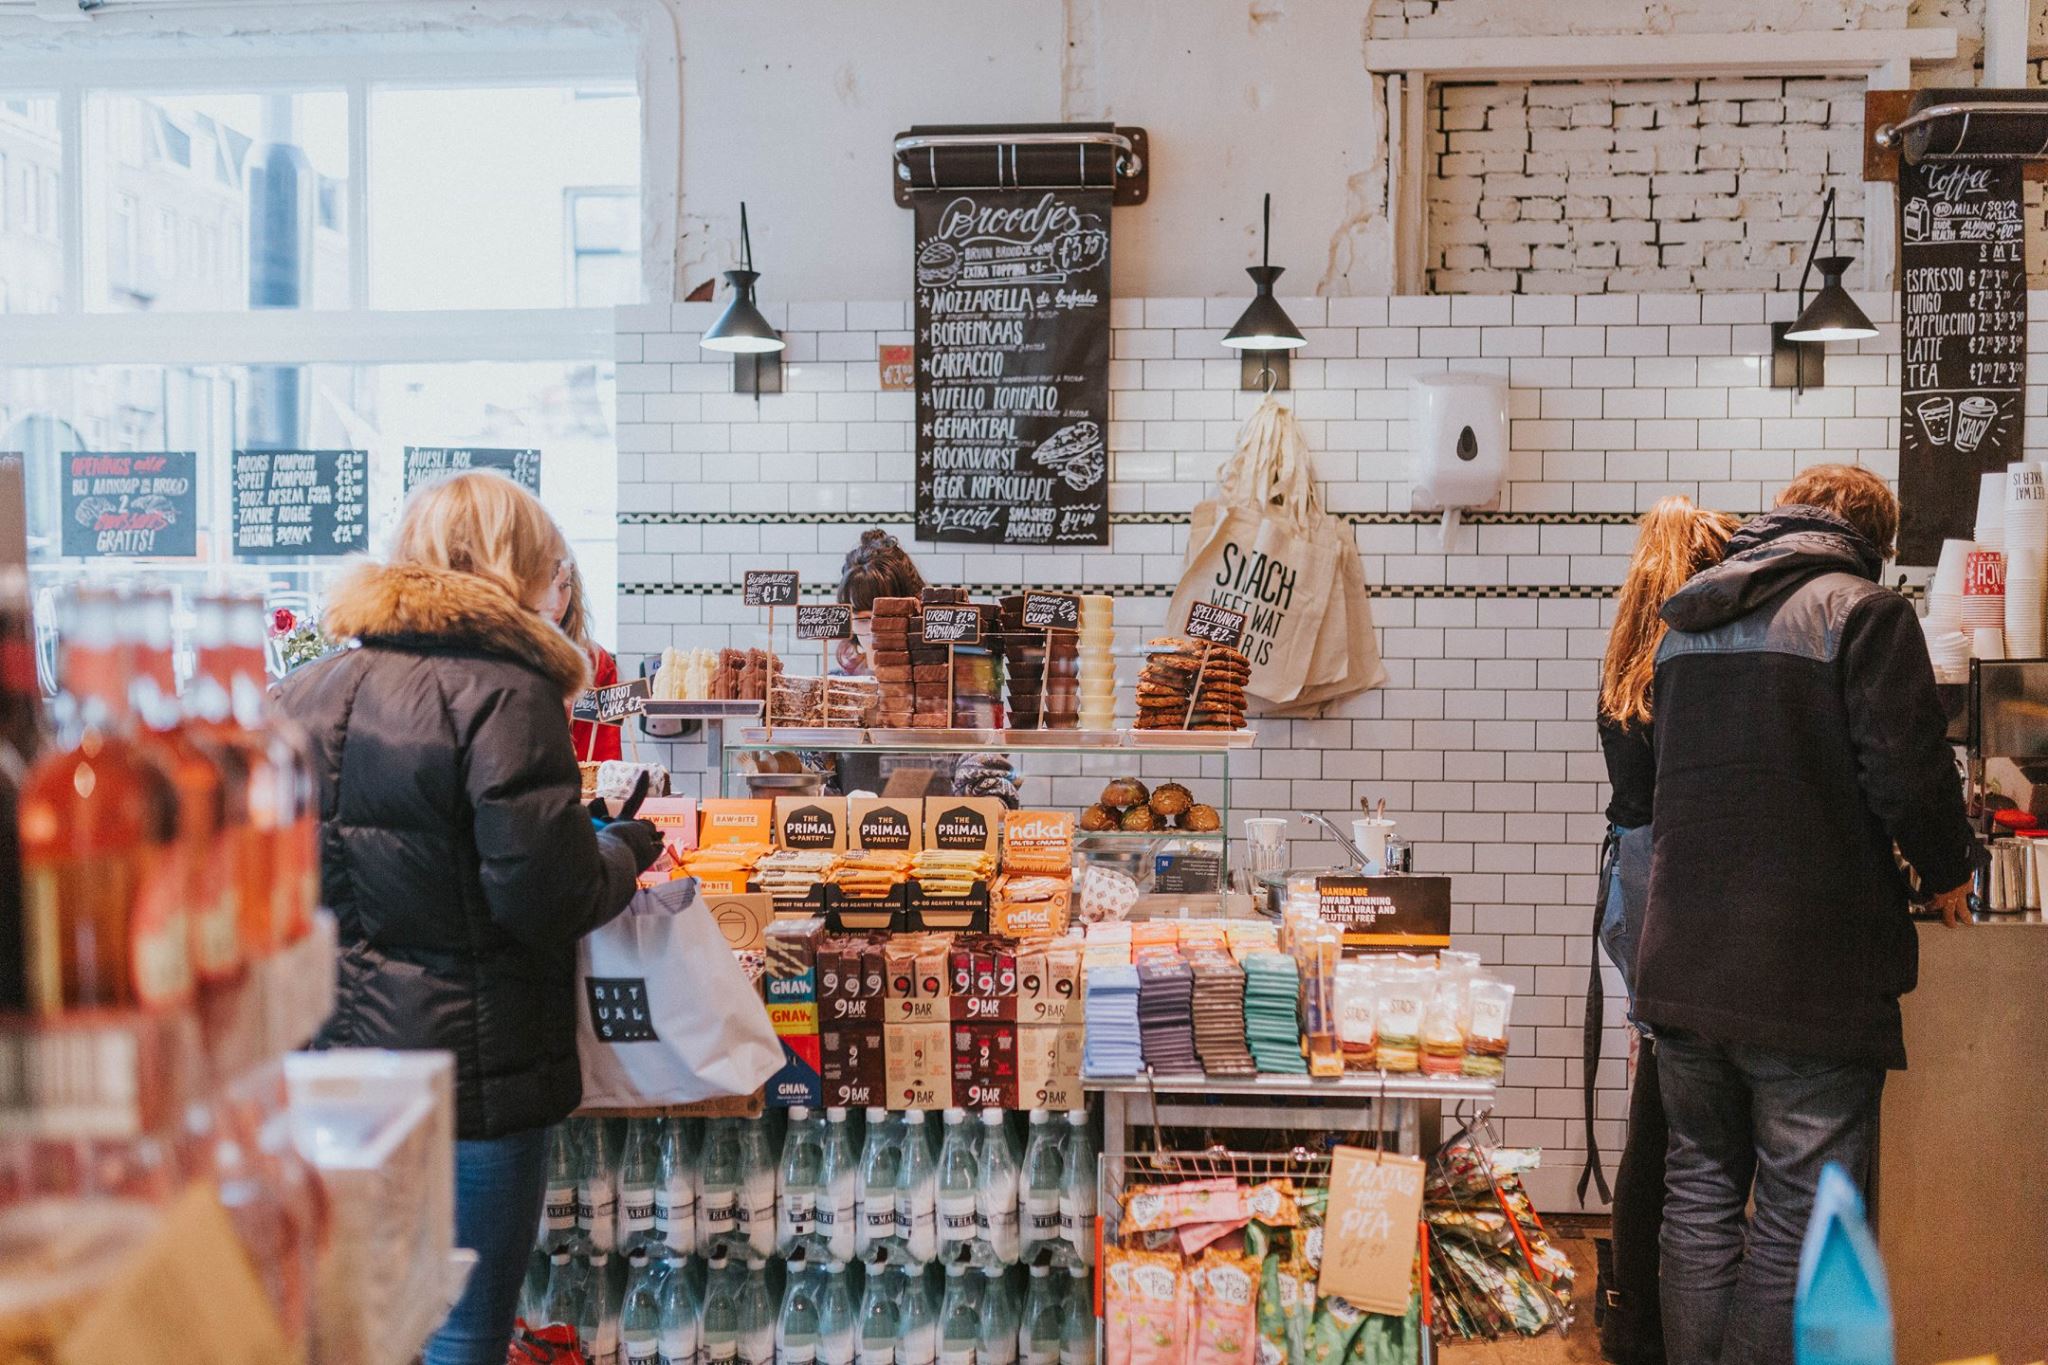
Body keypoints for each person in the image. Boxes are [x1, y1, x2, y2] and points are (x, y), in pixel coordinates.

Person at [277, 470, 663, 1365]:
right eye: (551, 570)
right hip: (475, 1078)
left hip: (335, 1073)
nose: (559, 590)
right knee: (463, 1336)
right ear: (516, 569)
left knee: (361, 1331)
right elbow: (548, 896)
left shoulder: (302, 691)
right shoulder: (508, 694)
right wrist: (623, 850)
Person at [1634, 464, 1974, 1364]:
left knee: (1699, 1197)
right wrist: (1950, 871)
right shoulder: (1865, 612)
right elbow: (1908, 774)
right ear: (1875, 543)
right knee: (1799, 1211)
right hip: (1806, 972)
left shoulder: (1687, 621)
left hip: (1683, 959)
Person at [1593, 496, 1737, 1365]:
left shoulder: (1627, 655)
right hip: (1676, 879)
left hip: (1633, 876)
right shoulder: (1691, 652)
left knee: (1654, 1088)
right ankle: (1647, 1317)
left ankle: (1633, 1308)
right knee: (1674, 1113)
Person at [550, 556, 623, 764]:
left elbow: (605, 761)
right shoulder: (500, 659)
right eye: (546, 587)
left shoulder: (596, 663)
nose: (557, 604)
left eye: (564, 586)